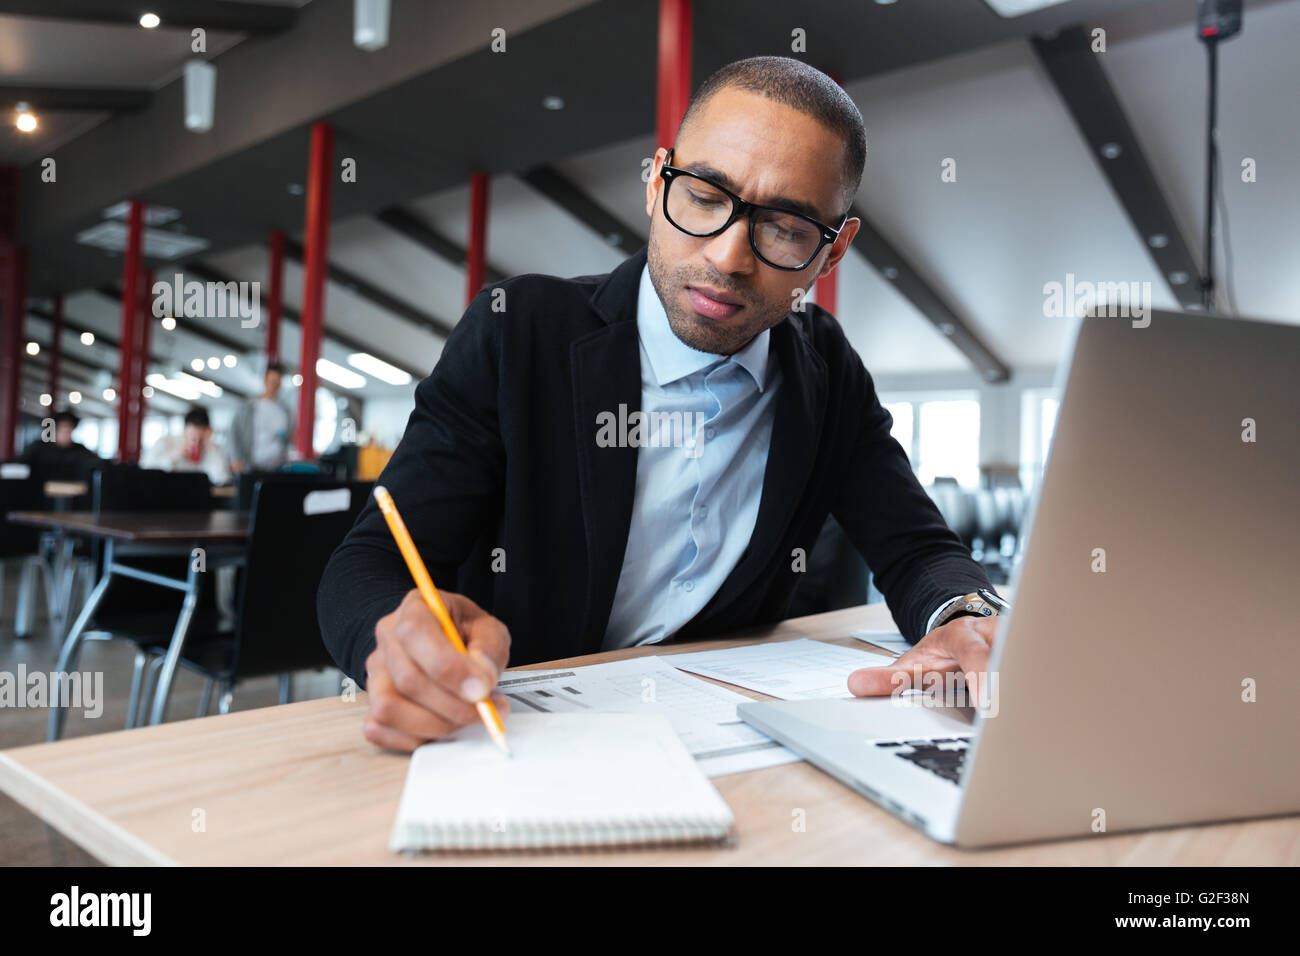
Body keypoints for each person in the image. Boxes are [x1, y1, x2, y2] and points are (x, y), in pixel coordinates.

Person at [319, 56, 1002, 753]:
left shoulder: (826, 371)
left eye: (787, 229)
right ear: (656, 182)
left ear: (833, 252)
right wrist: (397, 638)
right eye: (706, 196)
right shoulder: (519, 330)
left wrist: (965, 614)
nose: (730, 257)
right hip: (509, 744)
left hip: (729, 752)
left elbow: (918, 549)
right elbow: (368, 562)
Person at [229, 361, 294, 474]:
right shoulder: (248, 407)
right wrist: (235, 458)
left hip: (275, 468)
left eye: (277, 383)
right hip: (248, 466)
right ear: (265, 381)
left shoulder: (286, 412)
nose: (274, 386)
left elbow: (286, 439)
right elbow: (234, 433)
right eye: (272, 381)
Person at [141, 406, 231, 485]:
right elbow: (146, 471)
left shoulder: (213, 449)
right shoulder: (165, 443)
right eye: (193, 438)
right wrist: (173, 458)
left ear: (209, 432)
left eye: (201, 440)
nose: (196, 444)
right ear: (184, 430)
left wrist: (211, 450)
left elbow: (221, 478)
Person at [18, 408, 103, 482]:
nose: (66, 434)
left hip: (74, 496)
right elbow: (22, 465)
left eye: (69, 431)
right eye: (63, 431)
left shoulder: (80, 450)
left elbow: (96, 464)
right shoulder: (38, 448)